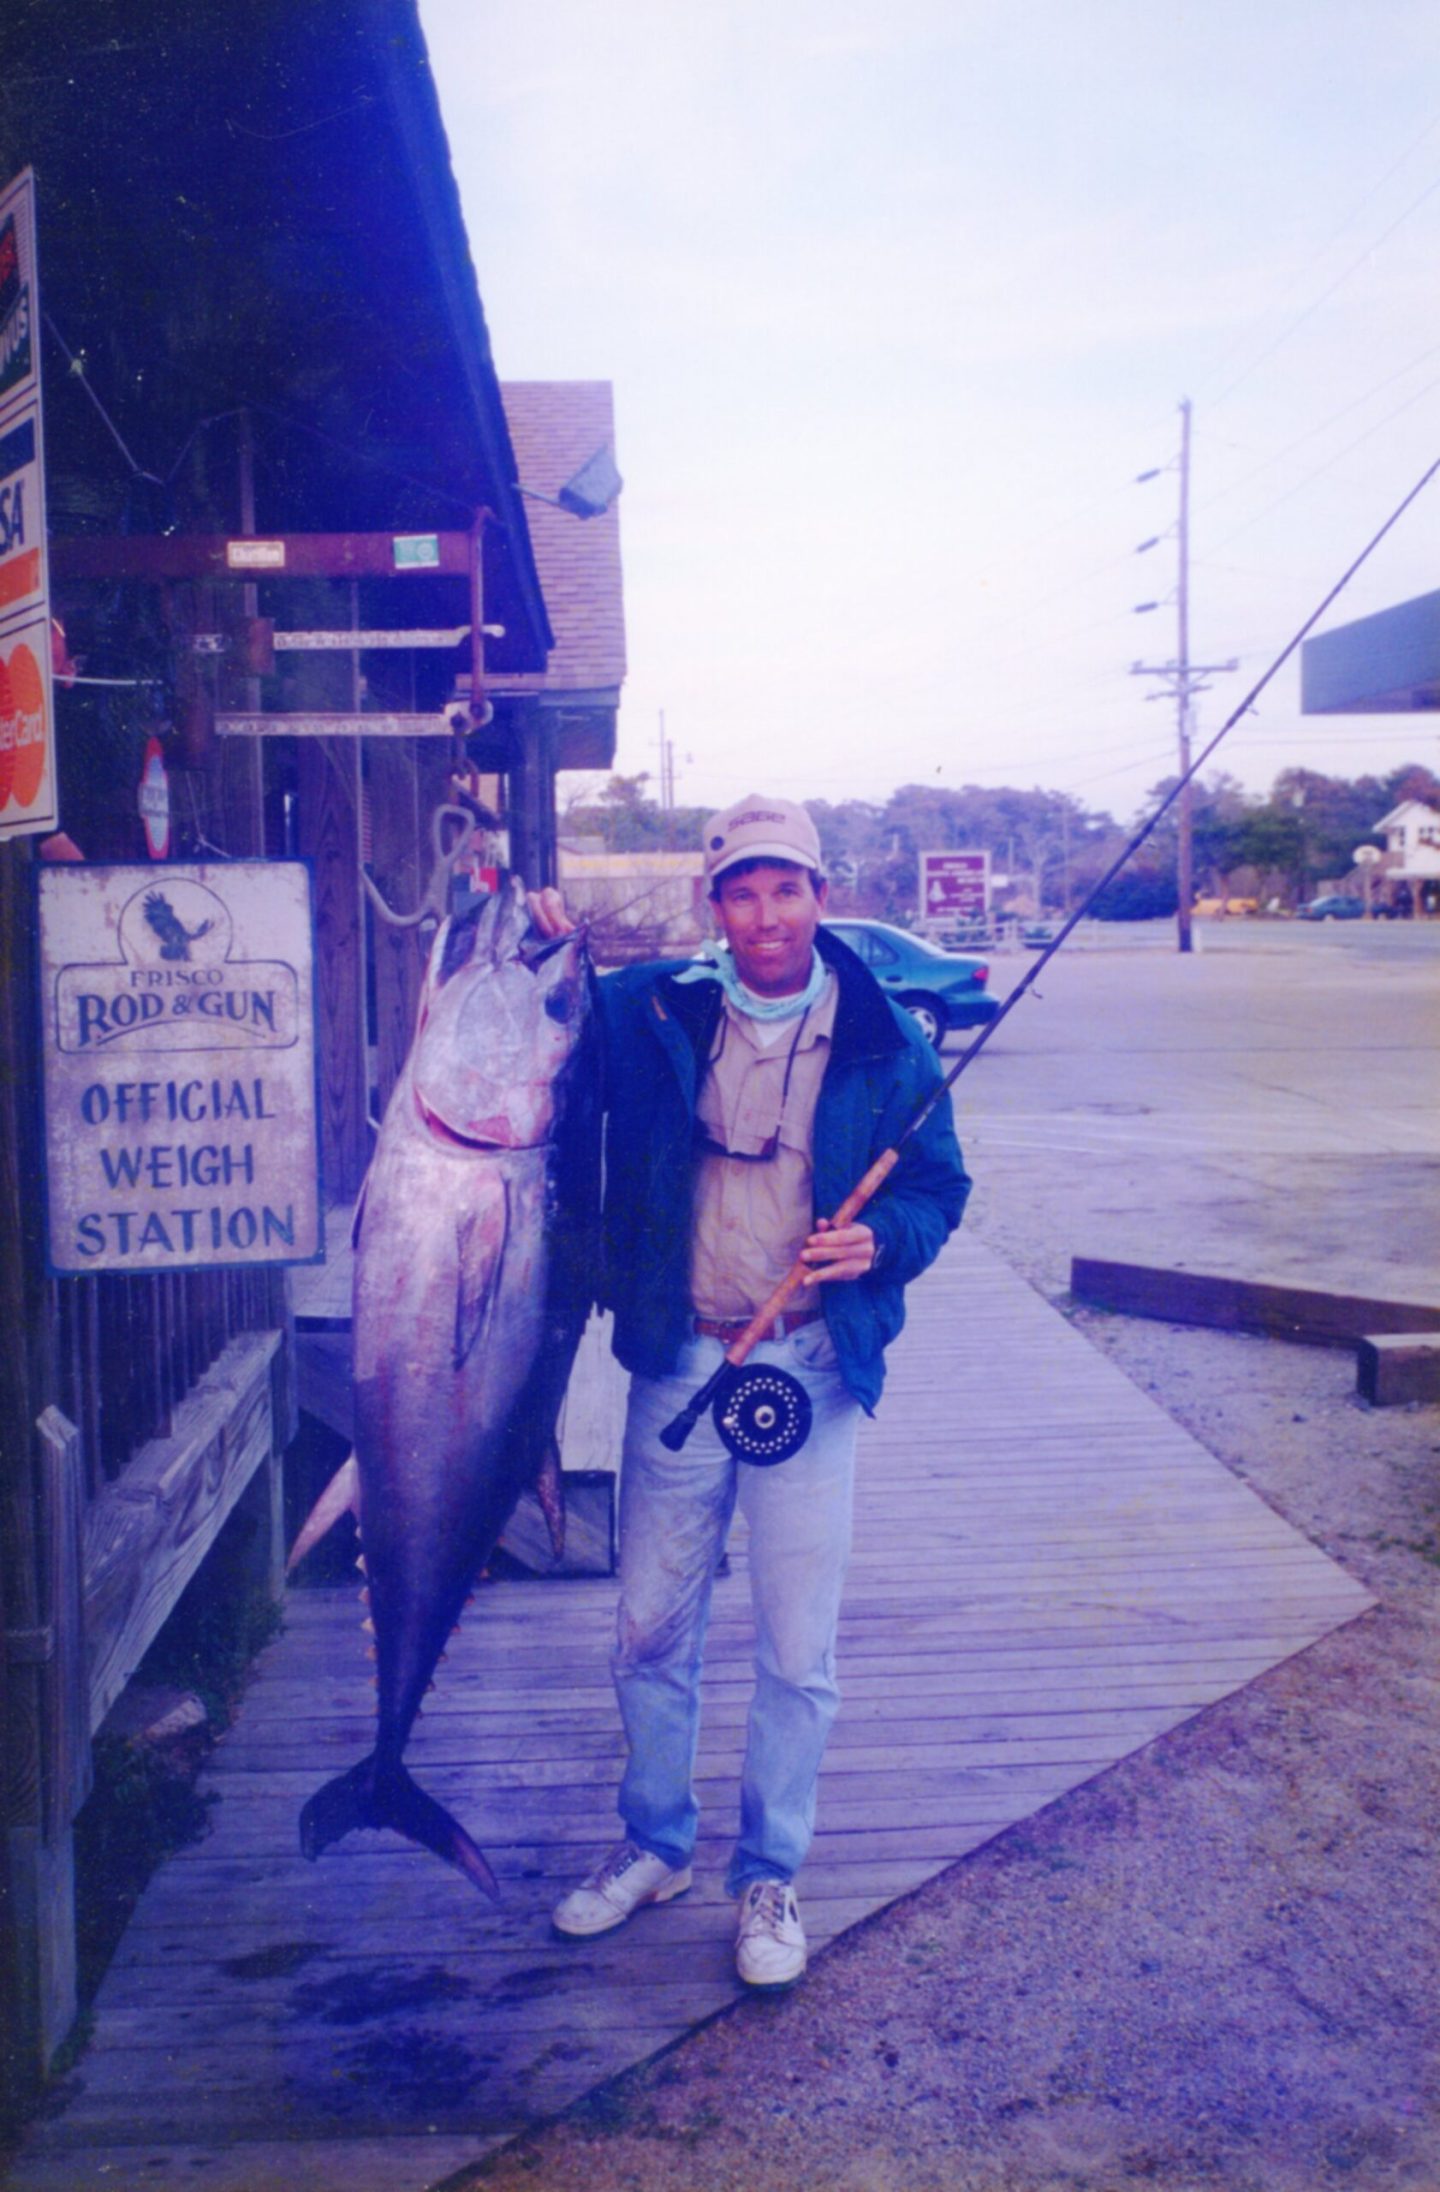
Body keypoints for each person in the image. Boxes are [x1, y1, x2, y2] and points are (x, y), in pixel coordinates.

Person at [529, 793, 969, 1988]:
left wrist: (882, 1239)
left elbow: (939, 1187)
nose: (766, 914)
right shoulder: (648, 1009)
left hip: (809, 1373)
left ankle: (768, 1871)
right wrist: (539, 941)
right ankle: (654, 1842)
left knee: (795, 1646)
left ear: (820, 898)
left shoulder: (887, 1038)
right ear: (711, 905)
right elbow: (547, 1013)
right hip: (679, 1359)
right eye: (742, 890)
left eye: (787, 888)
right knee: (647, 1630)